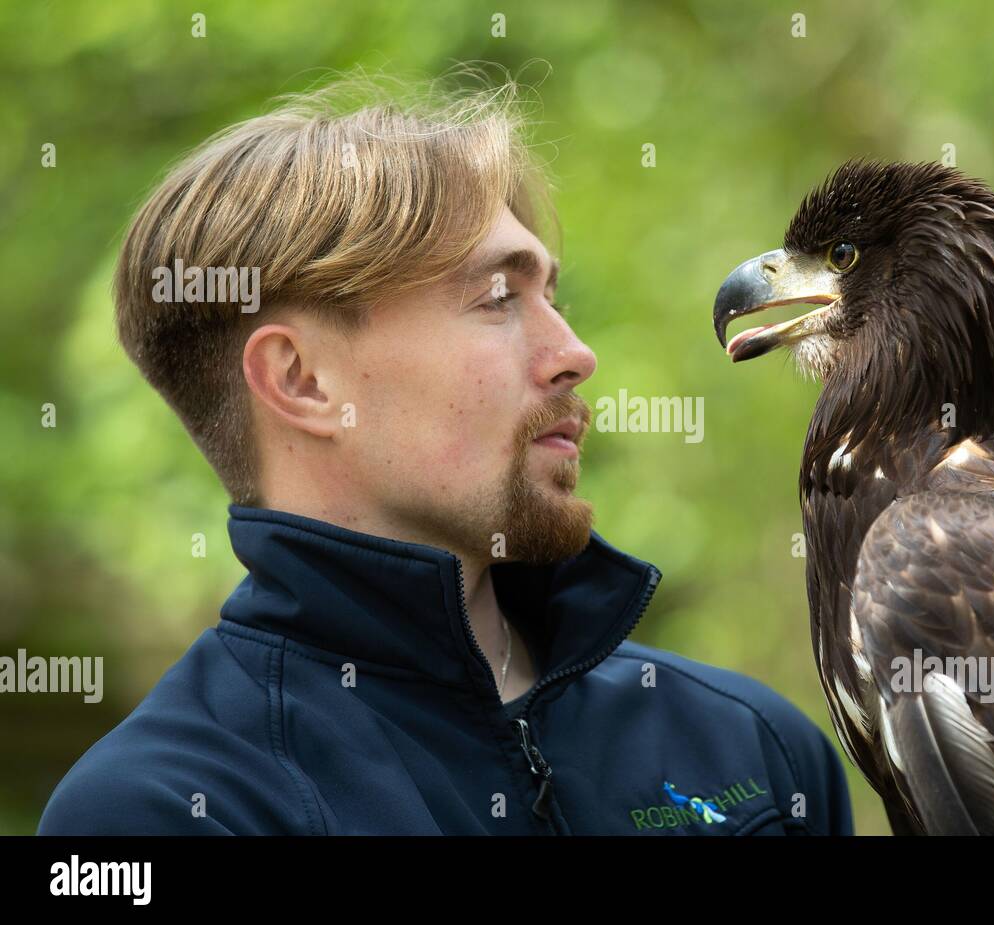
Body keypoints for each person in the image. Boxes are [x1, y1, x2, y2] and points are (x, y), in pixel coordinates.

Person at [36, 76, 854, 835]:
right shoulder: (161, 813)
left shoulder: (754, 748)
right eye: (499, 298)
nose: (574, 352)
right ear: (301, 380)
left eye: (552, 297)